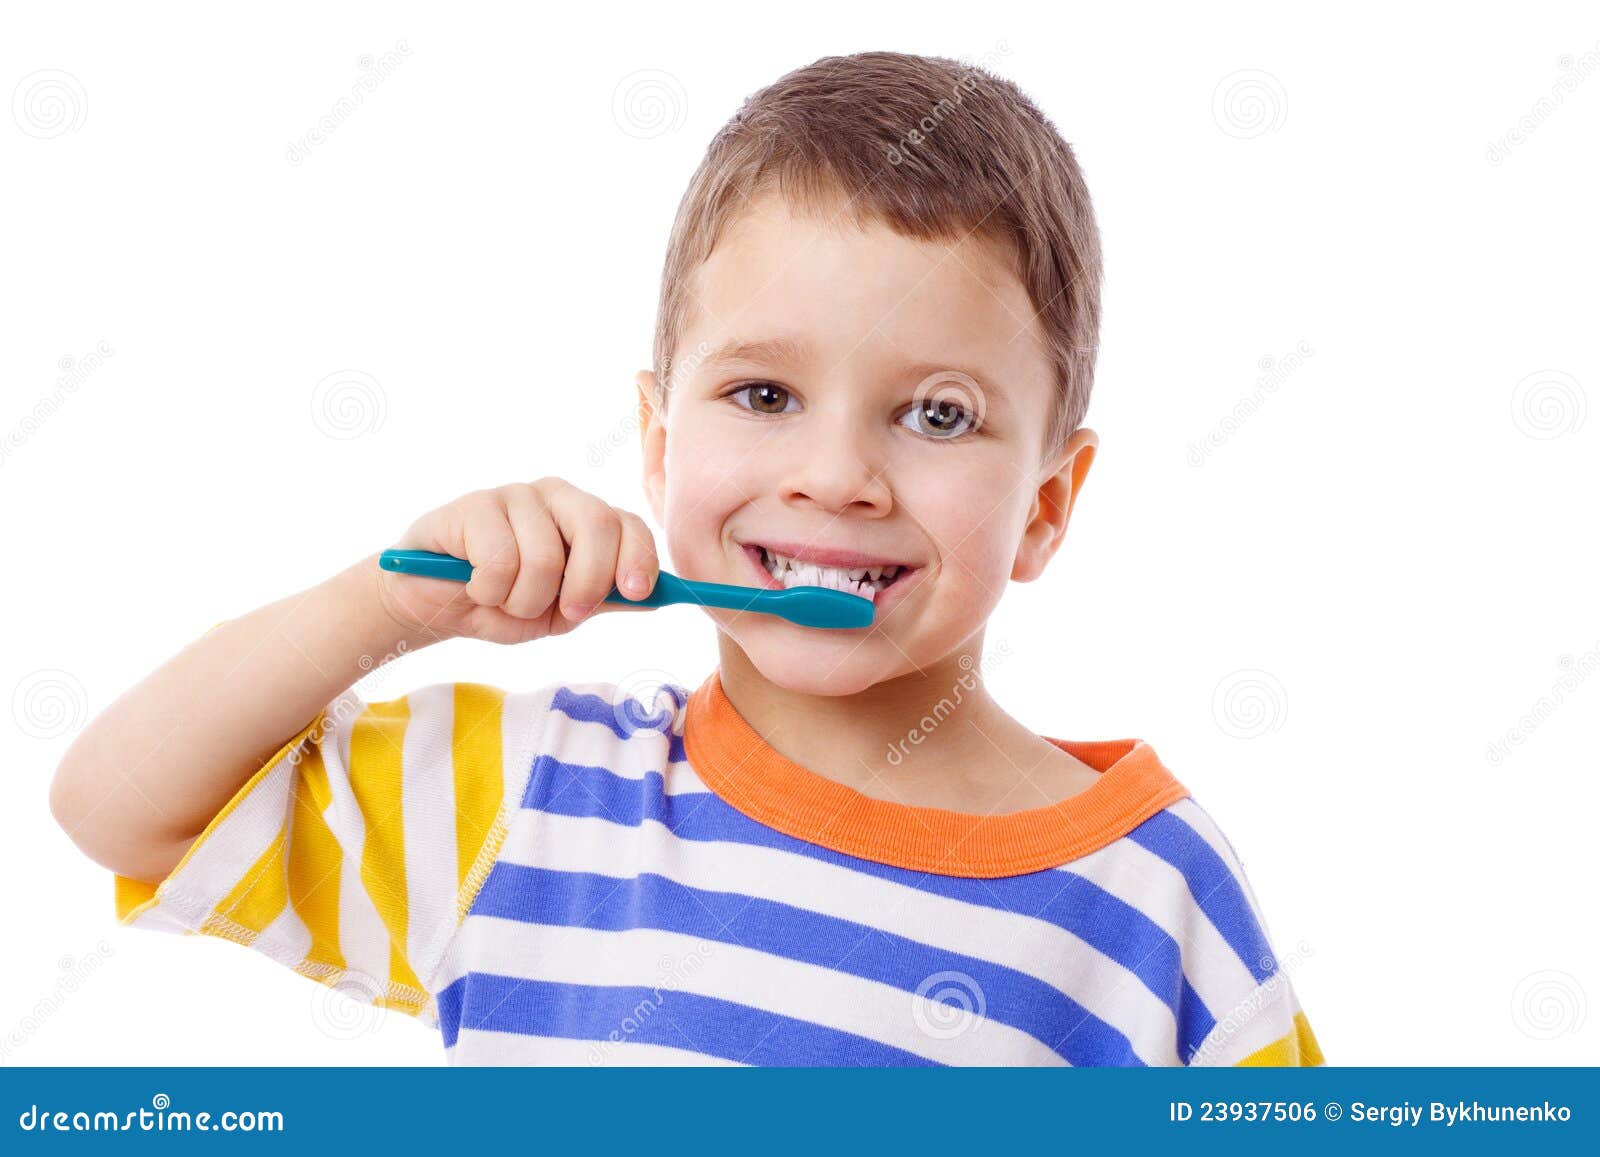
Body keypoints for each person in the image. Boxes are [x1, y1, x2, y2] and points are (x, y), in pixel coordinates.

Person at [51, 50, 1323, 1066]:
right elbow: (121, 809)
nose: (835, 474)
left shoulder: (1154, 903)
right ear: (660, 444)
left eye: (937, 414)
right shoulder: (532, 792)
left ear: (1046, 502)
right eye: (764, 395)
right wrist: (390, 602)